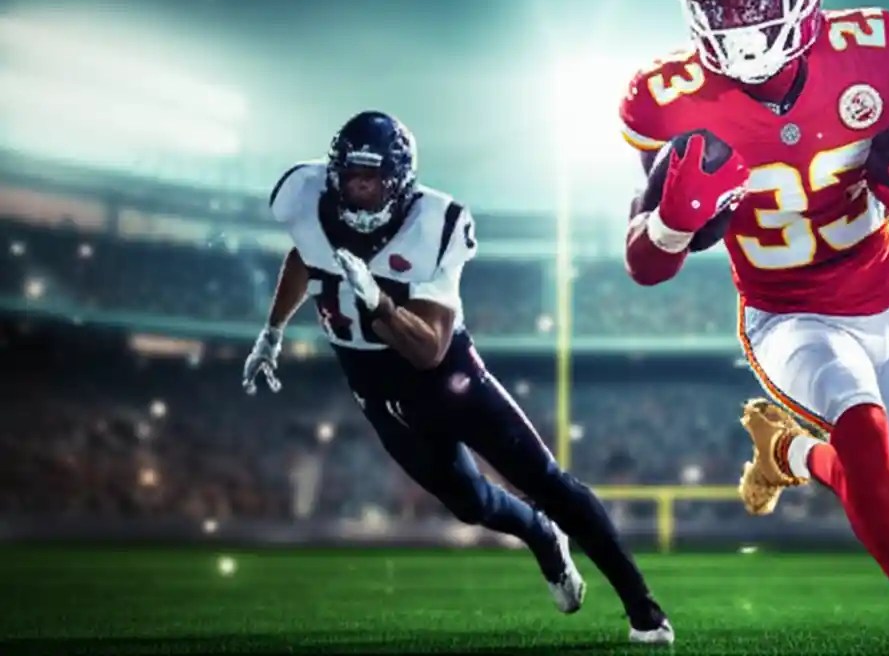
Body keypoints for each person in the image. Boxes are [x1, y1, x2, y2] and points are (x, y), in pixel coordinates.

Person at [619, 0, 889, 653]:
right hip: (786, 312)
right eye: (722, 7)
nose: (739, 23)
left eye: (756, 1)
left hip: (888, 297)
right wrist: (673, 222)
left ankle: (788, 455)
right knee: (863, 433)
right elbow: (644, 263)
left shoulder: (878, 49)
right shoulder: (667, 99)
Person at [243, 110, 673, 644]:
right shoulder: (303, 195)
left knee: (545, 480)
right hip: (374, 388)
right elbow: (305, 256)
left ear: (398, 182)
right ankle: (542, 537)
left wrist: (376, 302)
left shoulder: (437, 223)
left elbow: (429, 350)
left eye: (371, 180)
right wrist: (273, 330)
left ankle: (644, 611)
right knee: (471, 505)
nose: (359, 192)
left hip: (446, 378)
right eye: (351, 179)